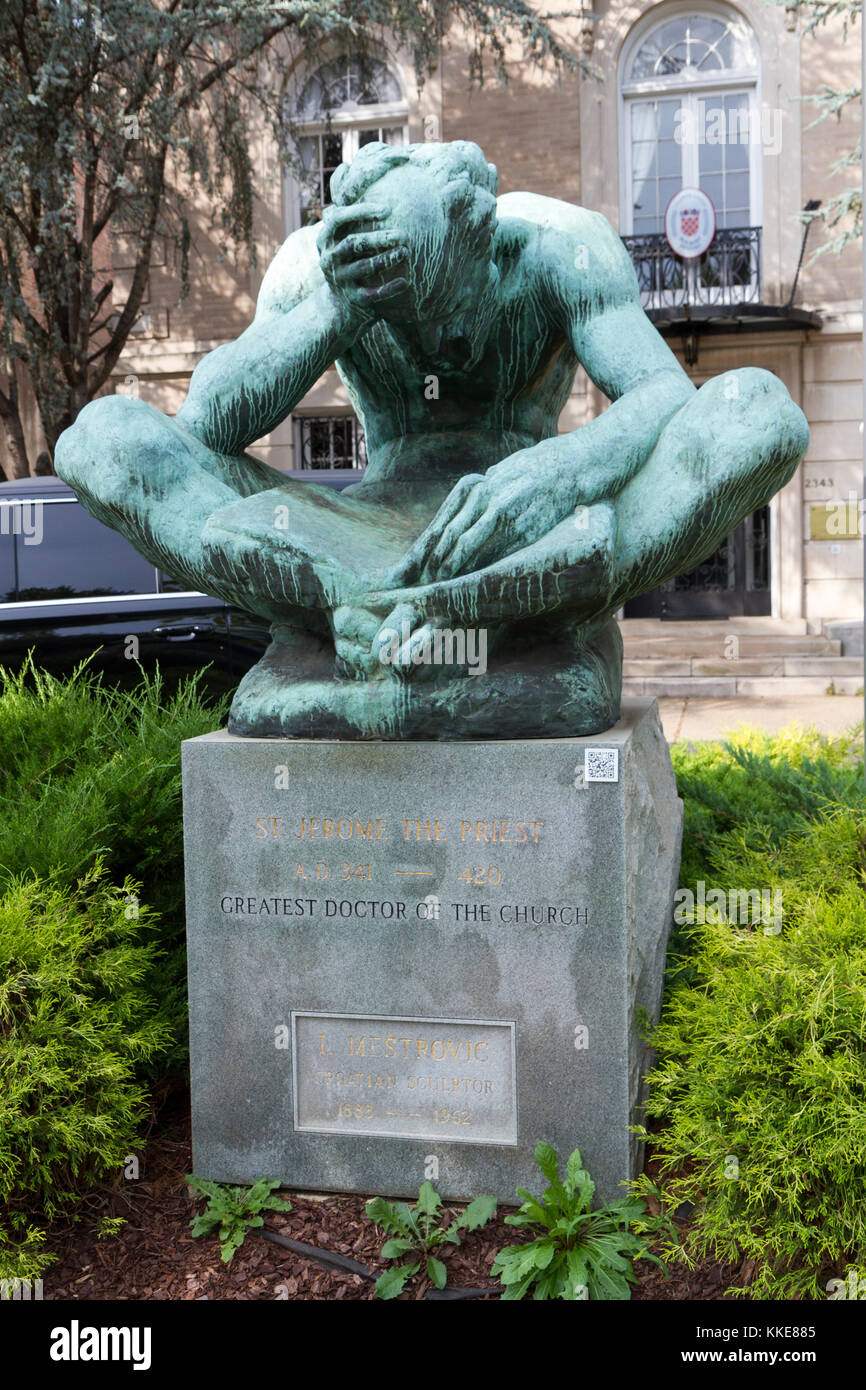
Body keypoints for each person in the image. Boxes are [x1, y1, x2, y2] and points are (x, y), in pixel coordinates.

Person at [55, 140, 808, 736]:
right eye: (402, 321)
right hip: (358, 539)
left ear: (481, 239)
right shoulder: (317, 267)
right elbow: (207, 426)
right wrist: (339, 310)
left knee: (757, 411)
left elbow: (662, 391)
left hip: (528, 532)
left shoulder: (557, 245)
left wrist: (562, 470)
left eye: (447, 308)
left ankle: (380, 636)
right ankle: (411, 619)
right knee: (105, 440)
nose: (434, 346)